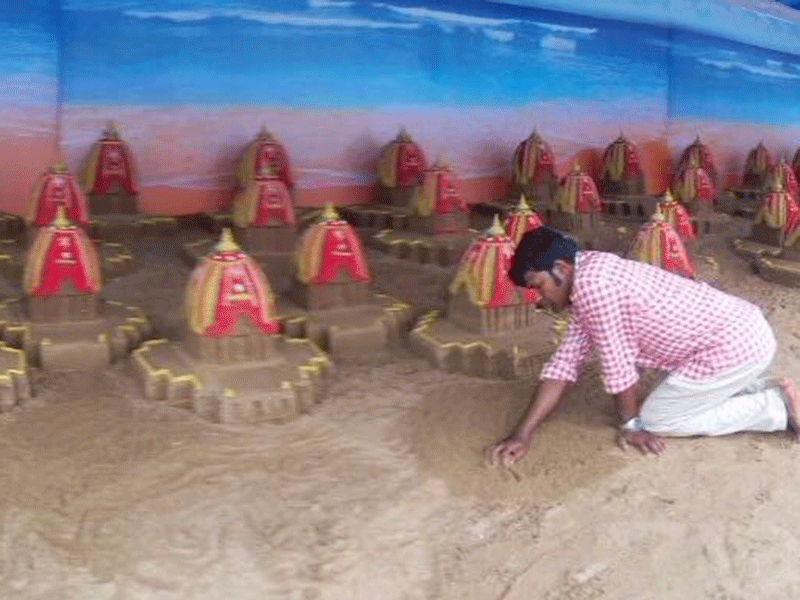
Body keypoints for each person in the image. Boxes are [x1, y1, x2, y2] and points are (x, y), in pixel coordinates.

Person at [488, 226, 800, 465]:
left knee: (661, 419)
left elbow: (618, 365)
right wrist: (522, 434)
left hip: (735, 347)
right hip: (744, 334)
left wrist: (633, 424)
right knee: (672, 398)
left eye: (538, 287)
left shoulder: (595, 288)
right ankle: (771, 390)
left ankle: (775, 407)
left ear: (562, 269)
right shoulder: (590, 274)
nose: (540, 300)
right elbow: (564, 364)